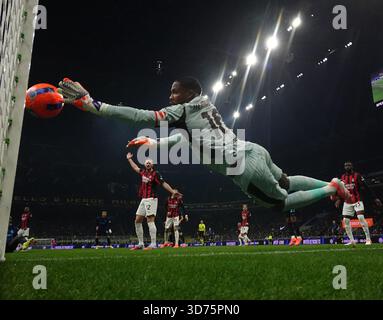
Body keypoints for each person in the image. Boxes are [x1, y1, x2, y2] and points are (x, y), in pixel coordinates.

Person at [58, 78, 350, 213]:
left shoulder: (183, 111)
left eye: (175, 92)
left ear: (190, 93)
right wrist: (154, 141)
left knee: (281, 202)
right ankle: (332, 181)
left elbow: (140, 115)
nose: (170, 96)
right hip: (254, 149)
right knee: (284, 179)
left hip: (243, 167)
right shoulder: (205, 104)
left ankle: (329, 189)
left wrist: (96, 106)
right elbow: (183, 138)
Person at [127, 153, 179, 250]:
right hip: (143, 199)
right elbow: (135, 168)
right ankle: (141, 243)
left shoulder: (156, 174)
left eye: (149, 163)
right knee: (137, 220)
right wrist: (129, 159)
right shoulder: (143, 172)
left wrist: (172, 191)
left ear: (152, 165)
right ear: (144, 164)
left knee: (150, 220)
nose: (147, 164)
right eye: (146, 163)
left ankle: (153, 244)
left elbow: (163, 183)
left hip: (152, 199)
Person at [334, 161, 382, 246]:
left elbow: (366, 187)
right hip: (347, 202)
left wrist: (375, 198)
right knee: (345, 220)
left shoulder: (357, 175)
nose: (347, 167)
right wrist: (338, 199)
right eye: (345, 165)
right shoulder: (343, 177)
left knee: (360, 218)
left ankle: (368, 239)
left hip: (357, 200)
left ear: (352, 166)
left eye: (348, 165)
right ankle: (352, 240)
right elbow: (341, 190)